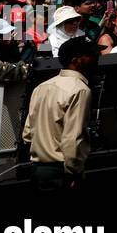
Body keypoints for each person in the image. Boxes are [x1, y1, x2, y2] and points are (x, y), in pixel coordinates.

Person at [23, 36, 99, 192]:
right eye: (91, 55)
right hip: (61, 170)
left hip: (38, 168)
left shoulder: (42, 87)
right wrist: (73, 172)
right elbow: (73, 137)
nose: (96, 58)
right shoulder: (80, 90)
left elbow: (27, 133)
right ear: (76, 60)